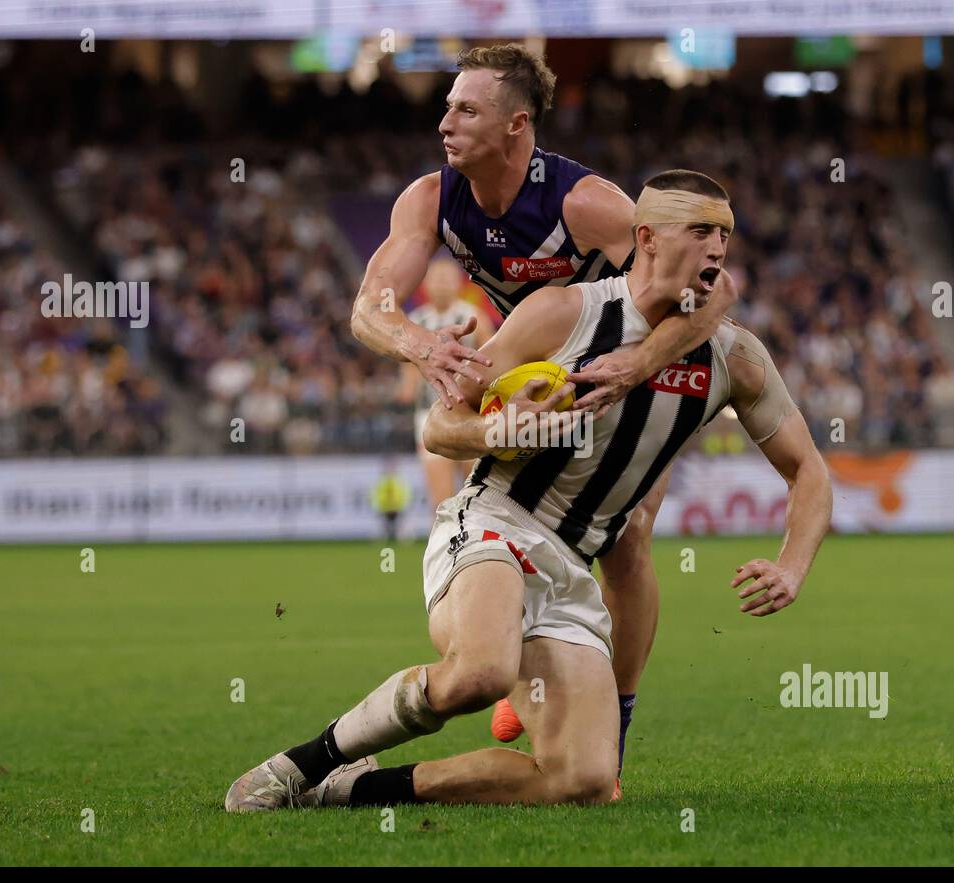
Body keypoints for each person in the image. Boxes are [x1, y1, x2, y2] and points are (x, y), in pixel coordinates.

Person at [225, 171, 832, 811]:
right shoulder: (562, 313)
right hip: (495, 521)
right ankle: (300, 765)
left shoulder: (734, 359)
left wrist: (793, 566)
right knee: (480, 673)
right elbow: (440, 425)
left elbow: (809, 472)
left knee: (585, 782)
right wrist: (498, 428)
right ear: (647, 238)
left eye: (726, 235)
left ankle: (350, 789)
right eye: (702, 231)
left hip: (572, 567)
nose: (718, 249)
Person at [347, 43, 731, 790]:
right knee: (504, 512)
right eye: (448, 105)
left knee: (626, 537)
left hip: (626, 376)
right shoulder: (430, 198)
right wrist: (421, 345)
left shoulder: (585, 203)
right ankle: (527, 677)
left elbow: (713, 295)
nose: (445, 120)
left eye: (465, 108)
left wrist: (638, 364)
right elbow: (369, 306)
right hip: (530, 372)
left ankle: (615, 719)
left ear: (517, 125)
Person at [397, 258, 493, 512]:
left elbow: (493, 360)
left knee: (474, 494)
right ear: (425, 285)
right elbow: (408, 367)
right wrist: (407, 388)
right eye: (436, 279)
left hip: (469, 411)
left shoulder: (474, 318)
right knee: (440, 500)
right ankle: (444, 549)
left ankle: (470, 548)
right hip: (428, 413)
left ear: (458, 284)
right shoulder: (416, 320)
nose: (441, 285)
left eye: (446, 278)